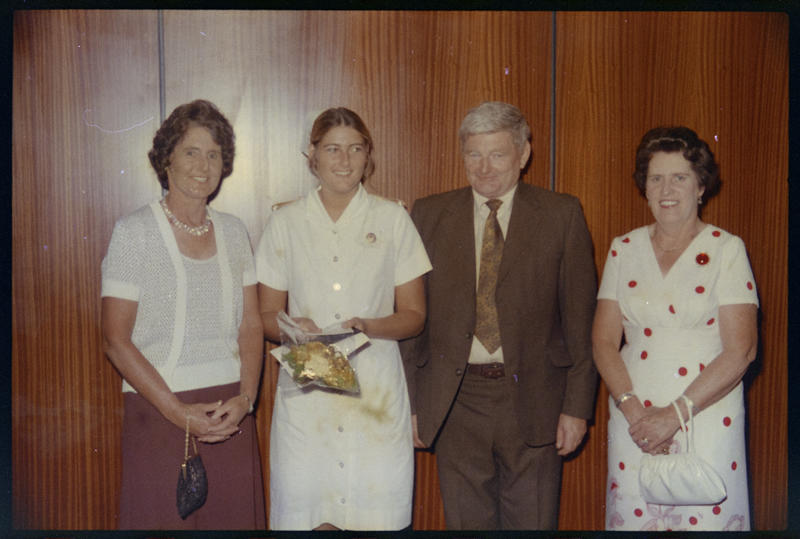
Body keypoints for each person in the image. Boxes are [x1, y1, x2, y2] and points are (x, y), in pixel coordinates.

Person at [400, 101, 598, 529]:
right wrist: (414, 406)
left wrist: (576, 409)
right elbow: (412, 322)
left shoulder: (562, 214)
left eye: (498, 154)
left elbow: (582, 324)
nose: (484, 167)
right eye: (474, 154)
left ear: (523, 154)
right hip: (455, 402)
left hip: (535, 401)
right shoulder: (429, 215)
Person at [256, 107, 432, 531]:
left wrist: (369, 325)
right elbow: (264, 315)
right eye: (332, 148)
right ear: (312, 155)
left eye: (355, 149)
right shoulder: (285, 221)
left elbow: (414, 316)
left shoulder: (393, 219)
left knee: (374, 517)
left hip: (373, 387)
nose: (344, 160)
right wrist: (293, 327)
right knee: (310, 515)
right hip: (308, 380)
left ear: (368, 156)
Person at [101, 99, 266, 529]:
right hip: (159, 411)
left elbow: (251, 323)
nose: (203, 165)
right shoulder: (133, 232)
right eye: (192, 151)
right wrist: (177, 412)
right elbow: (115, 340)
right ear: (166, 157)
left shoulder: (234, 232)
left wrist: (246, 399)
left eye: (214, 154)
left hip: (230, 411)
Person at [592, 126, 759, 531]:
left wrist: (675, 416)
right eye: (656, 178)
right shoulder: (623, 248)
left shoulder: (726, 249)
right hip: (636, 421)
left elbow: (742, 351)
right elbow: (603, 341)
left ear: (701, 186)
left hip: (705, 415)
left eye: (679, 177)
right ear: (644, 188)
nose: (667, 189)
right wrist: (634, 412)